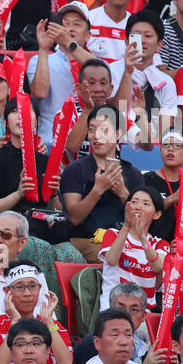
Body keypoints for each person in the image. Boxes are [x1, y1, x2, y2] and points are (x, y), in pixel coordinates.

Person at [59, 104, 145, 262]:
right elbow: (74, 218)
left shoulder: (133, 173)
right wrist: (98, 190)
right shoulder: (75, 170)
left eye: (104, 130)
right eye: (91, 130)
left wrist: (123, 194)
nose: (96, 136)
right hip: (87, 241)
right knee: (115, 257)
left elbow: (143, 220)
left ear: (118, 134)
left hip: (125, 240)